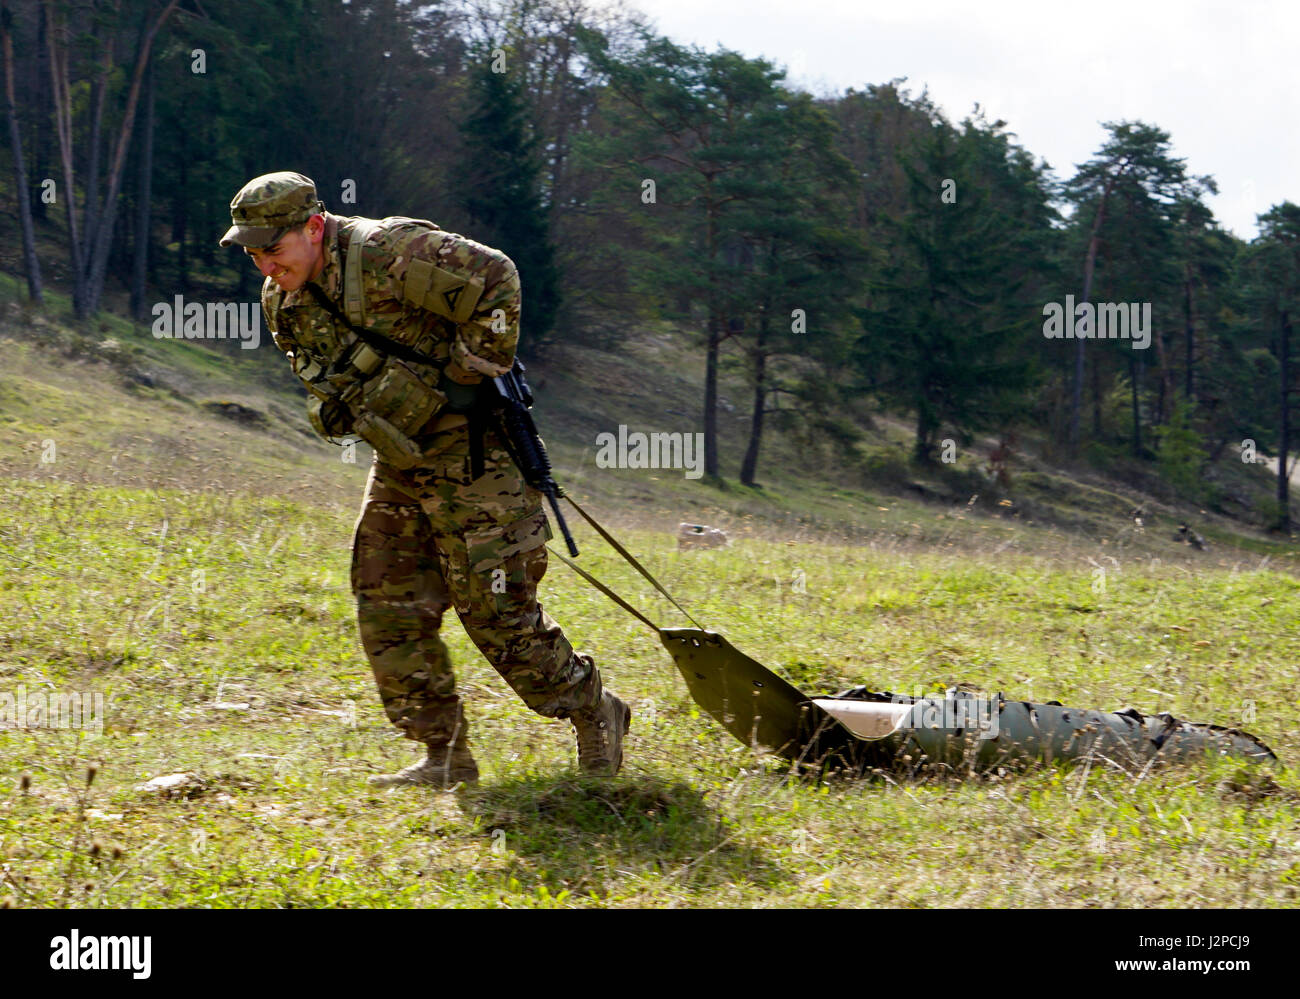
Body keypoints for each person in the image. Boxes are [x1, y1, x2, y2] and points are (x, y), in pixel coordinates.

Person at [219, 171, 629, 787]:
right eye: (252, 254)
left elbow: (499, 279)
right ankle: (443, 754)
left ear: (312, 228)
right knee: (385, 601)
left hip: (476, 454)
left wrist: (469, 374)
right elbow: (326, 376)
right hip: (404, 461)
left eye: (272, 251)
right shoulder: (284, 300)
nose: (265, 268)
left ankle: (595, 711)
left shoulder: (388, 251)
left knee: (496, 614)